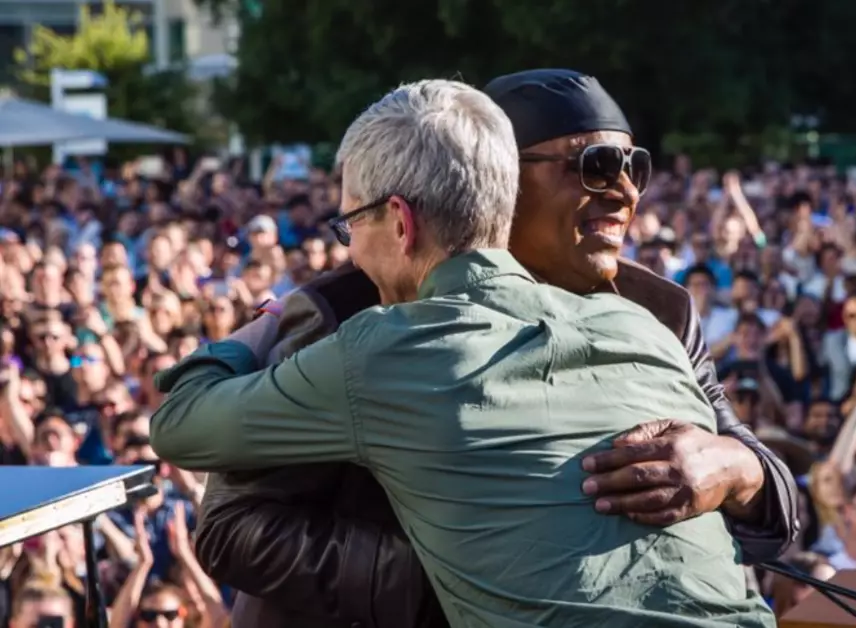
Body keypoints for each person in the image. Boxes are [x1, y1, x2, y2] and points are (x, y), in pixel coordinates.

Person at [150, 78, 776, 627]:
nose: (623, 191)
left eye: (632, 166)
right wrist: (447, 580)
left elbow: (774, 501)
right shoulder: (352, 311)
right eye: (591, 166)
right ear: (510, 183)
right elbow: (233, 527)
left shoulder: (649, 314)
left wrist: (736, 467)